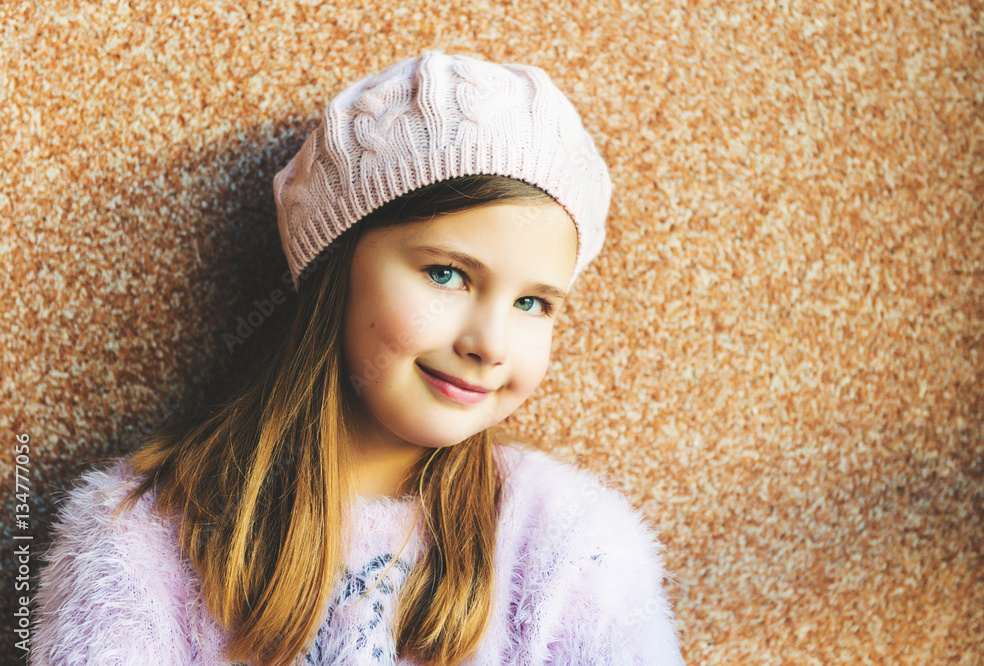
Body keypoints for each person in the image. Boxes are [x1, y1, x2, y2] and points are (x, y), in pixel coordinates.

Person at [31, 52, 684, 665]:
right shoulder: (142, 539)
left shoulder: (567, 548)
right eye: (448, 275)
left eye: (534, 303)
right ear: (333, 268)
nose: (490, 343)